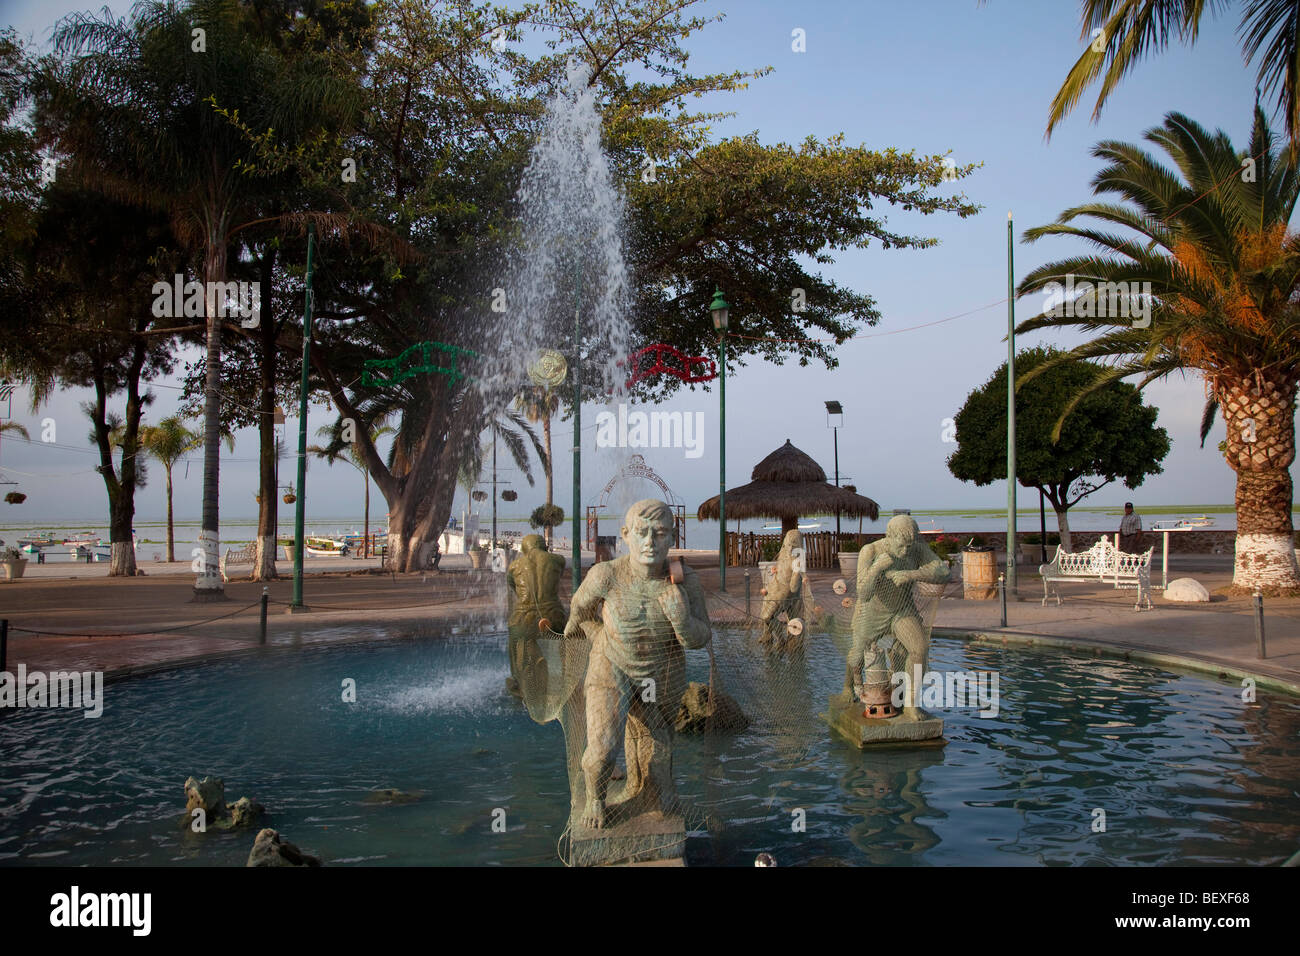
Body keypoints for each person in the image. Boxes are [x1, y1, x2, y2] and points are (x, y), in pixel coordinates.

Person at [563, 499, 711, 830]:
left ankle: (647, 793)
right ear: (626, 535)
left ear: (672, 538)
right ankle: (596, 799)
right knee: (602, 748)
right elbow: (578, 611)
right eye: (642, 533)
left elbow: (702, 638)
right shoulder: (606, 575)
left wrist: (683, 621)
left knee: (657, 753)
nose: (649, 542)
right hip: (612, 664)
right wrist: (595, 637)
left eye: (659, 534)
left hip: (661, 671)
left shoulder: (684, 581)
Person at [845, 514, 949, 708]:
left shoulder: (916, 548)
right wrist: (876, 568)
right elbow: (863, 593)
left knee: (919, 648)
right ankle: (847, 686)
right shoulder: (870, 551)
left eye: (908, 547)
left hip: (902, 609)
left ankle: (911, 705)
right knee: (857, 655)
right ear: (888, 536)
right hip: (872, 611)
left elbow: (944, 573)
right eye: (900, 545)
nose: (903, 552)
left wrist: (911, 574)